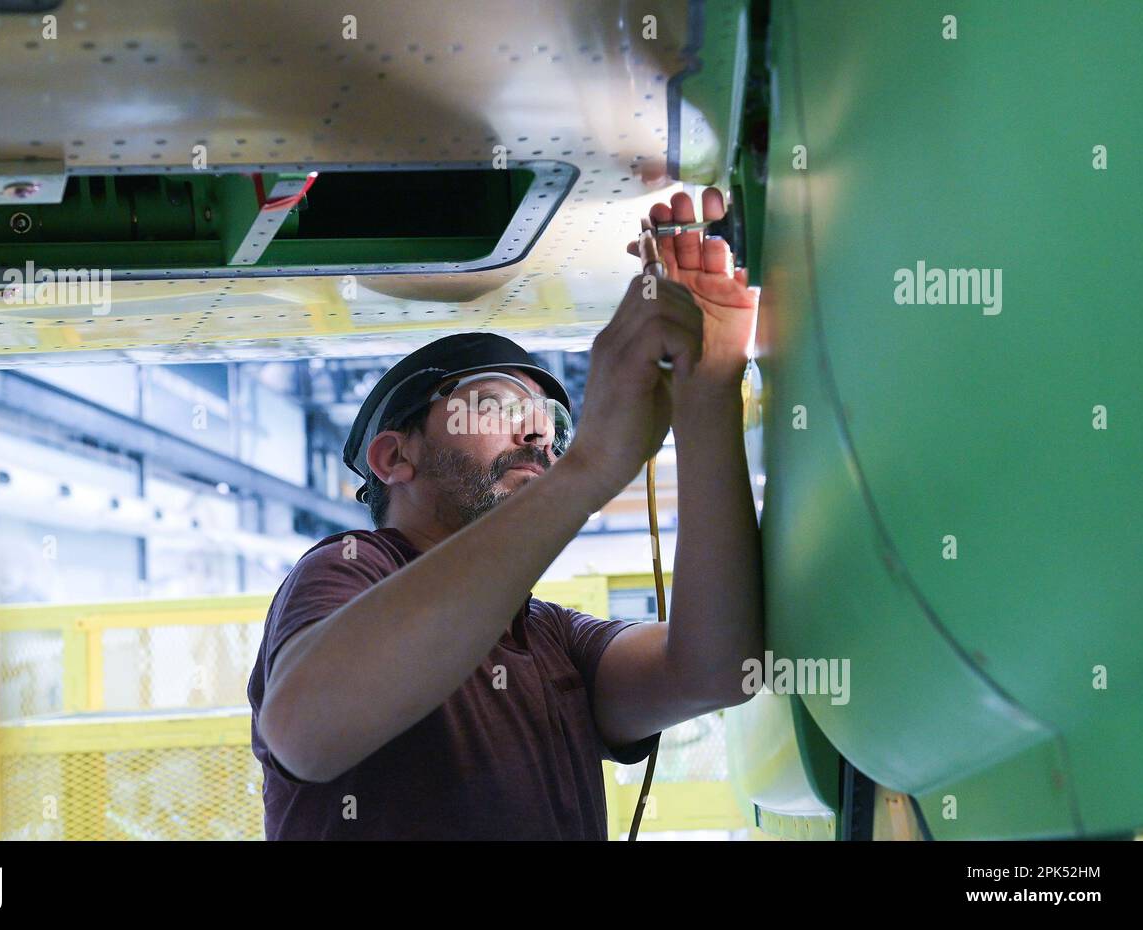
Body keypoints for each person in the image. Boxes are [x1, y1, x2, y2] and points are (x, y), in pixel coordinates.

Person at [247, 187, 764, 839]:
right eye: (495, 407)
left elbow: (716, 669)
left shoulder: (550, 636)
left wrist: (707, 385)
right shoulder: (349, 570)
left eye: (552, 427)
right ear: (393, 457)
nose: (539, 438)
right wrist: (593, 463)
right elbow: (305, 728)